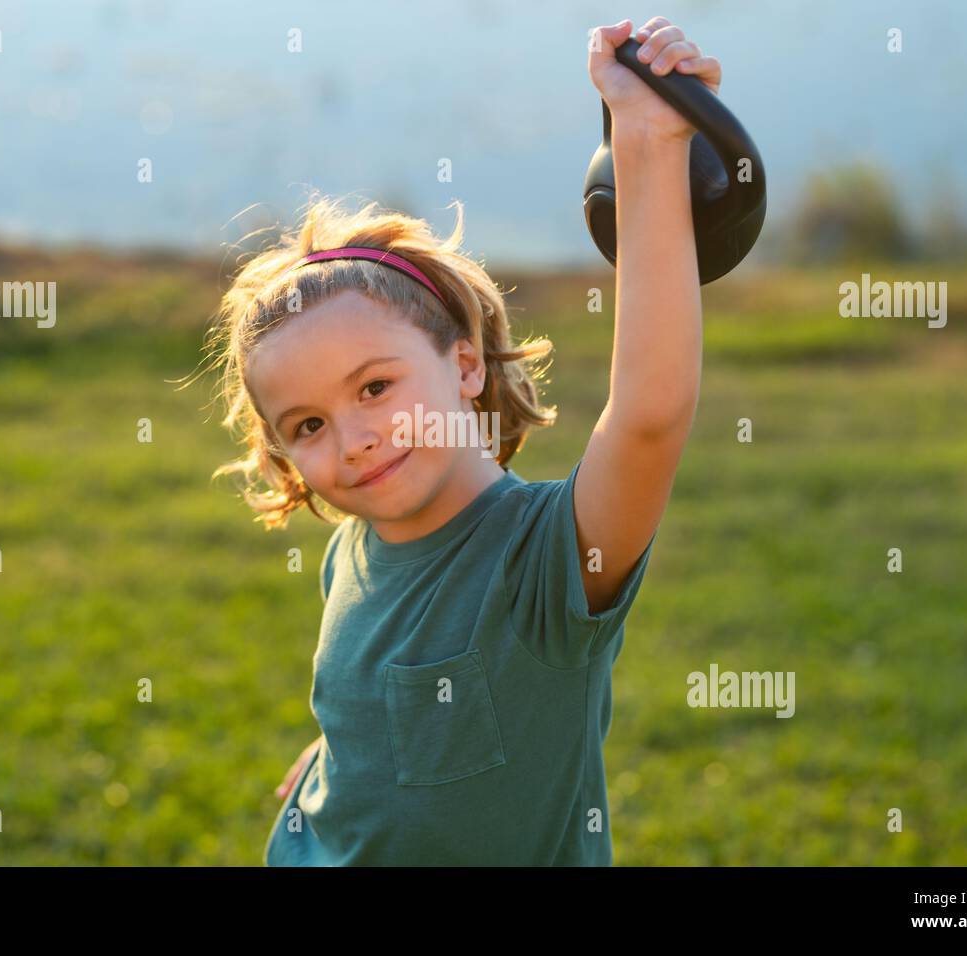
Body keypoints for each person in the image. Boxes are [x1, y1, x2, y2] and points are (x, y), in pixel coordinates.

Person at [199, 16, 715, 864]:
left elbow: (651, 413)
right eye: (310, 426)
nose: (355, 439)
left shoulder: (549, 563)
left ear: (465, 365)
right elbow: (382, 705)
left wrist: (648, 143)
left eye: (375, 387)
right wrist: (345, 761)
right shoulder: (353, 551)